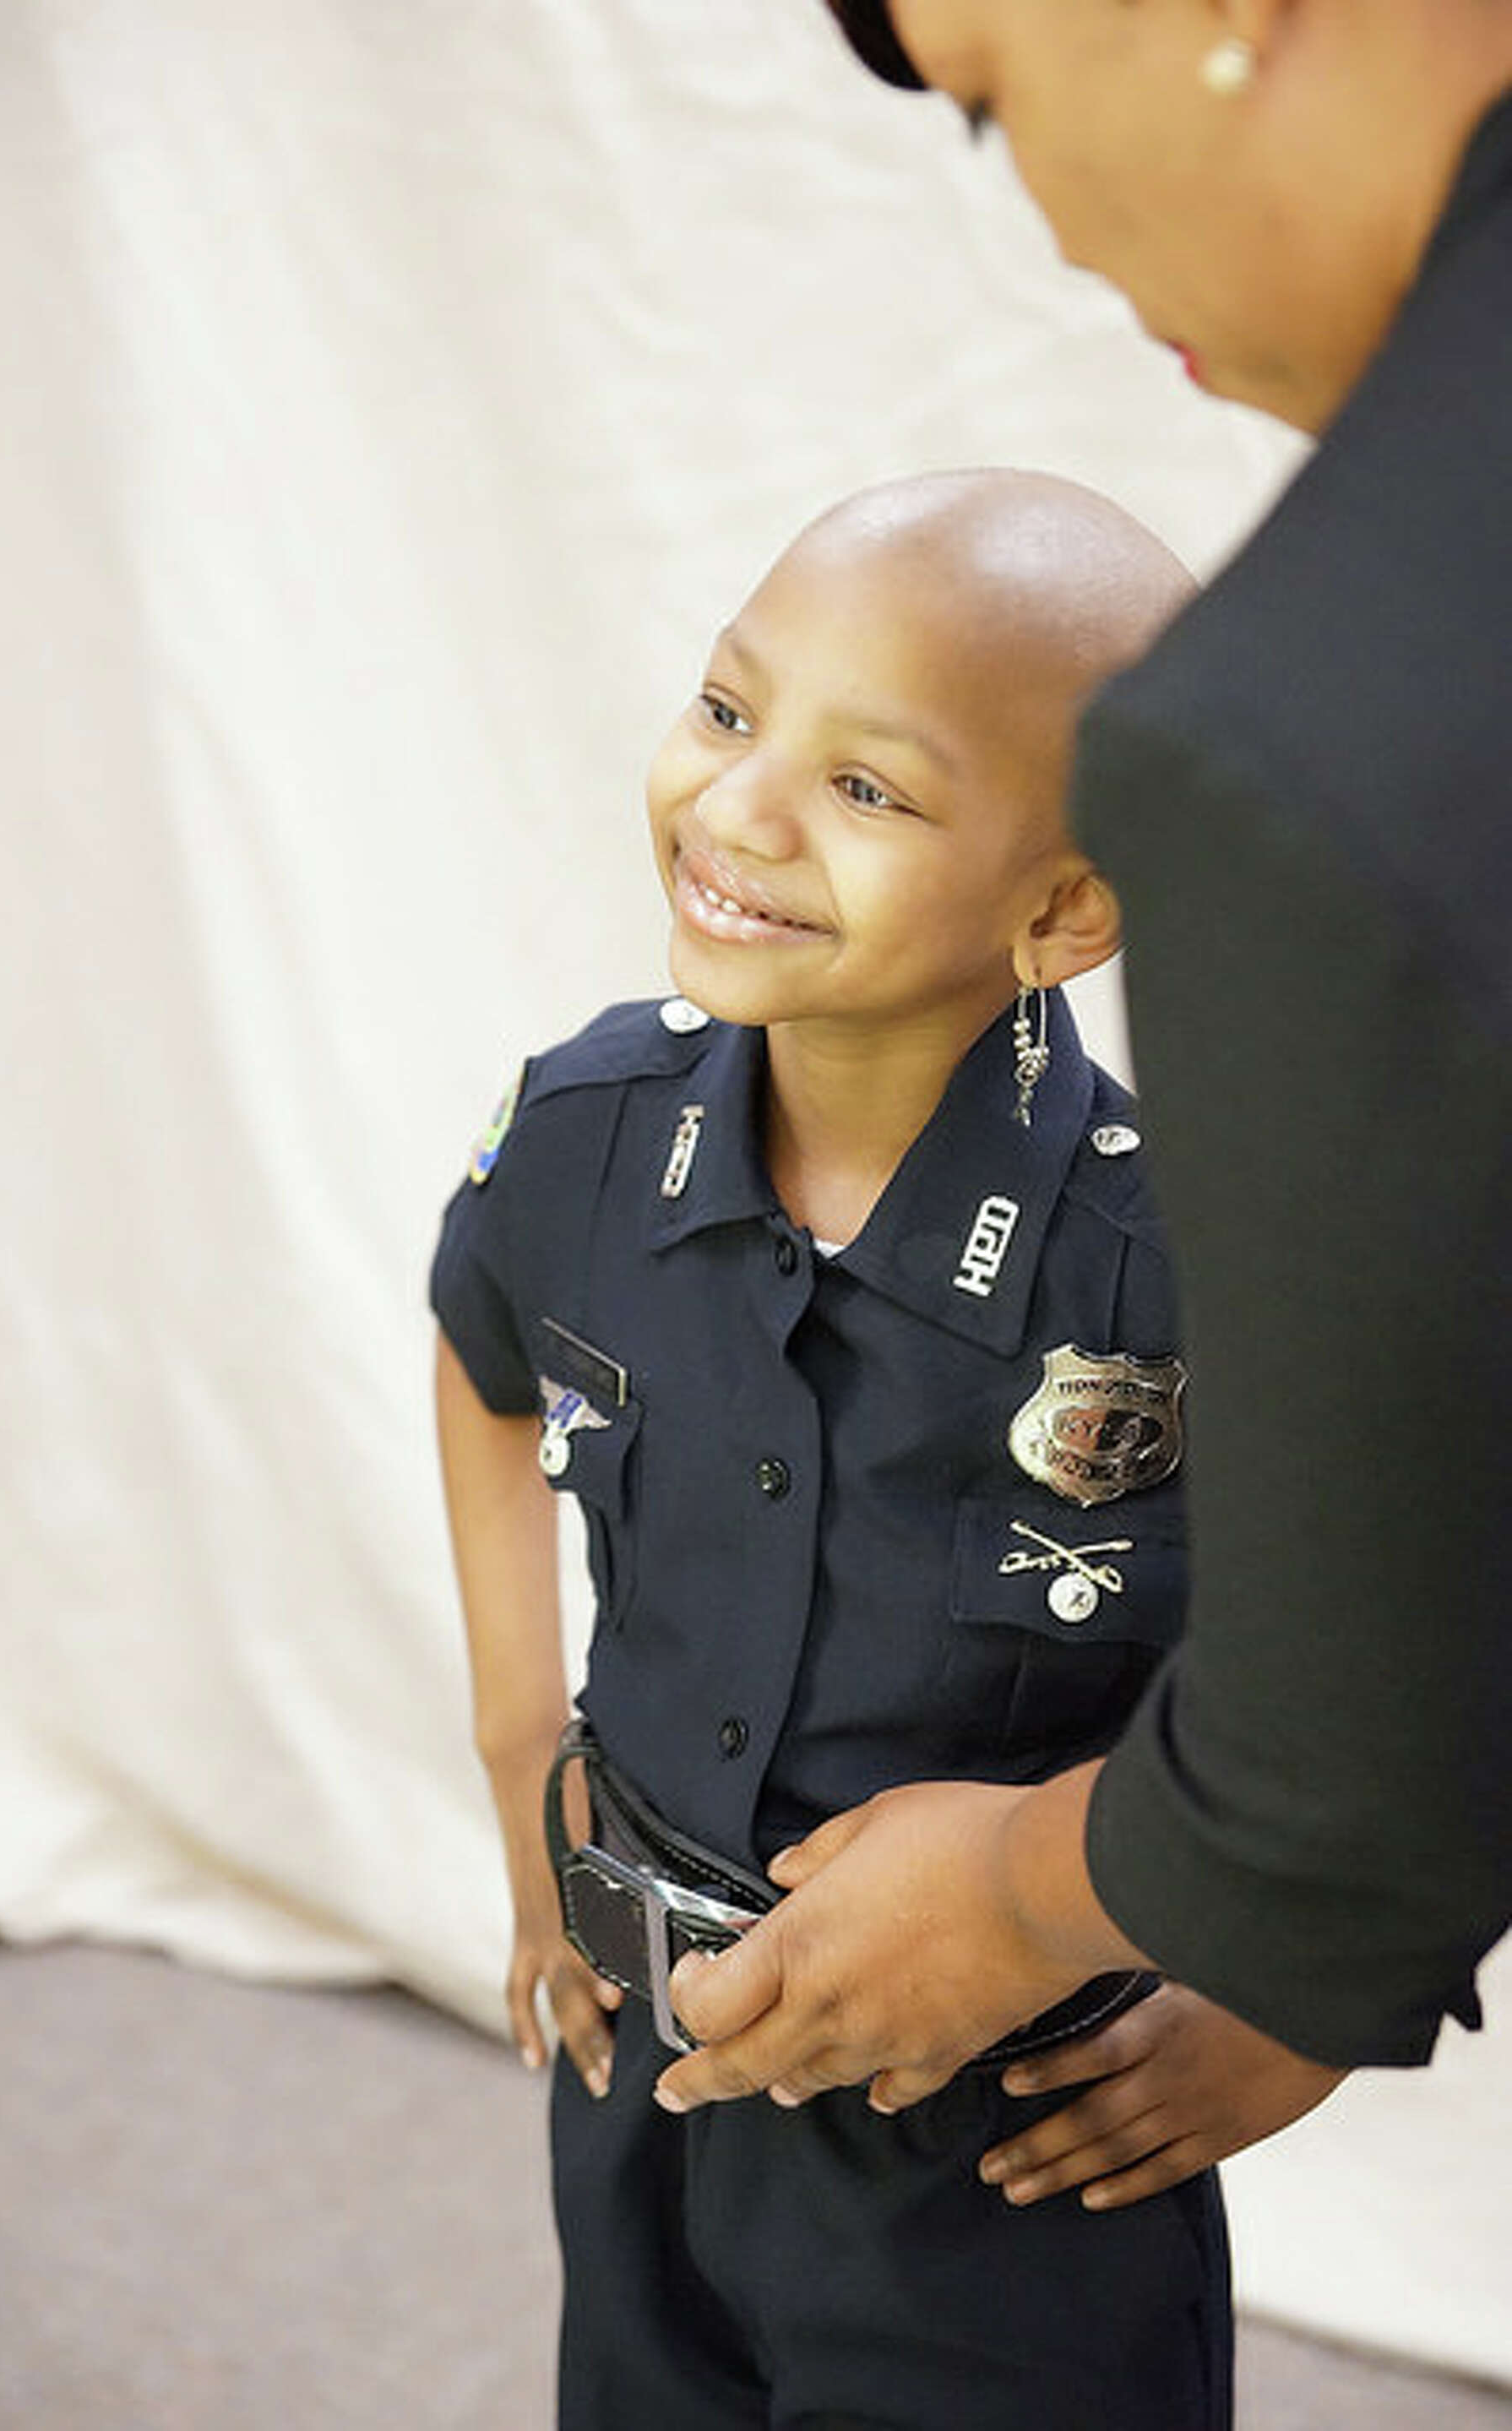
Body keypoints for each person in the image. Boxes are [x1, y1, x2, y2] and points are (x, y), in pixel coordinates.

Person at [654, 0, 1512, 2132]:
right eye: (730, 711)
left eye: (983, 103)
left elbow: (1353, 1687)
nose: (1038, 220)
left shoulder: (1325, 745)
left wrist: (1090, 1888)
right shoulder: (598, 1126)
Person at [432, 468, 1339, 2430]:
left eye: (871, 788)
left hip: (998, 2141)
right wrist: (524, 1755)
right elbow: (480, 1353)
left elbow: (1396, 1649)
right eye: (731, 709)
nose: (739, 809)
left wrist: (1301, 2002)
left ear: (1066, 905)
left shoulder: (1199, 1264)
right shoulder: (588, 1127)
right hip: (642, 2054)